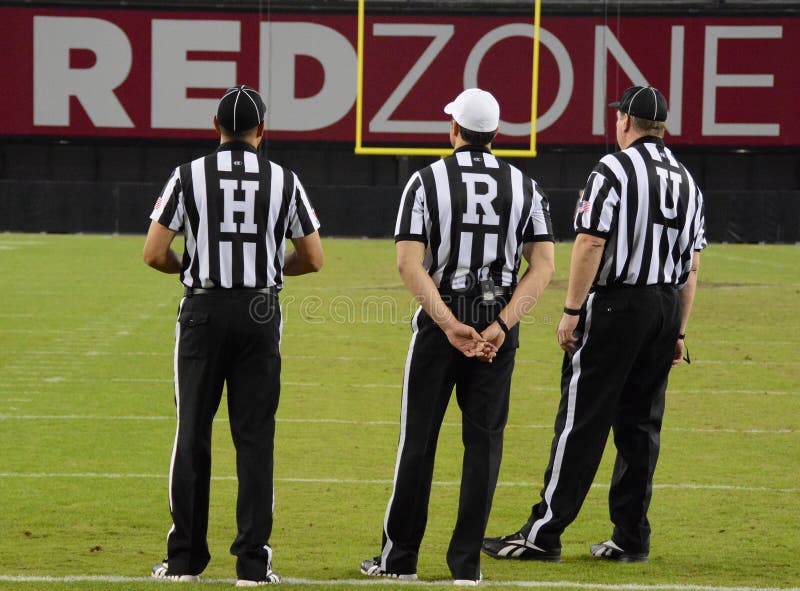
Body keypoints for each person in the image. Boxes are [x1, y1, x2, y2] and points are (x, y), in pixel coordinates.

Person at [482, 85, 706, 563]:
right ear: (661, 127)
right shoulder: (688, 180)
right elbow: (692, 265)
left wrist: (570, 309)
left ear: (625, 120)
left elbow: (590, 241)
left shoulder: (614, 169)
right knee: (641, 426)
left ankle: (543, 533)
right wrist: (680, 331)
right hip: (665, 306)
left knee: (582, 419)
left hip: (618, 305)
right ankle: (631, 536)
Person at [360, 88, 555, 585]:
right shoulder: (525, 186)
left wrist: (448, 323)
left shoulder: (427, 181)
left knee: (417, 443)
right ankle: (466, 568)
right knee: (484, 447)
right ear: (496, 134)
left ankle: (398, 559)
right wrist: (502, 324)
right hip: (496, 321)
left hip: (441, 319)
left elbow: (409, 263)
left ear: (454, 131)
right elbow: (544, 266)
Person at [142, 84, 323, 585]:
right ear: (262, 131)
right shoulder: (284, 180)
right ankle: (252, 563)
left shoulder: (188, 175)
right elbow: (313, 257)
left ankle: (184, 560)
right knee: (254, 438)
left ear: (215, 128)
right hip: (260, 310)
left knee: (192, 434)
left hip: (202, 311)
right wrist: (269, 270)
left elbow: (154, 252)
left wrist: (193, 268)